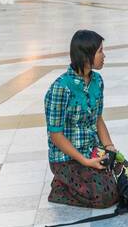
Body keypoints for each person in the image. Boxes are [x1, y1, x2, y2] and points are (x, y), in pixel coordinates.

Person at [44, 30, 120, 208]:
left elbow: (98, 119)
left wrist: (109, 147)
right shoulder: (61, 88)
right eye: (100, 51)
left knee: (124, 181)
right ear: (86, 56)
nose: (104, 55)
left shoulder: (97, 81)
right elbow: (56, 135)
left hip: (92, 151)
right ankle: (60, 188)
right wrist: (84, 161)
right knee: (104, 196)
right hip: (67, 158)